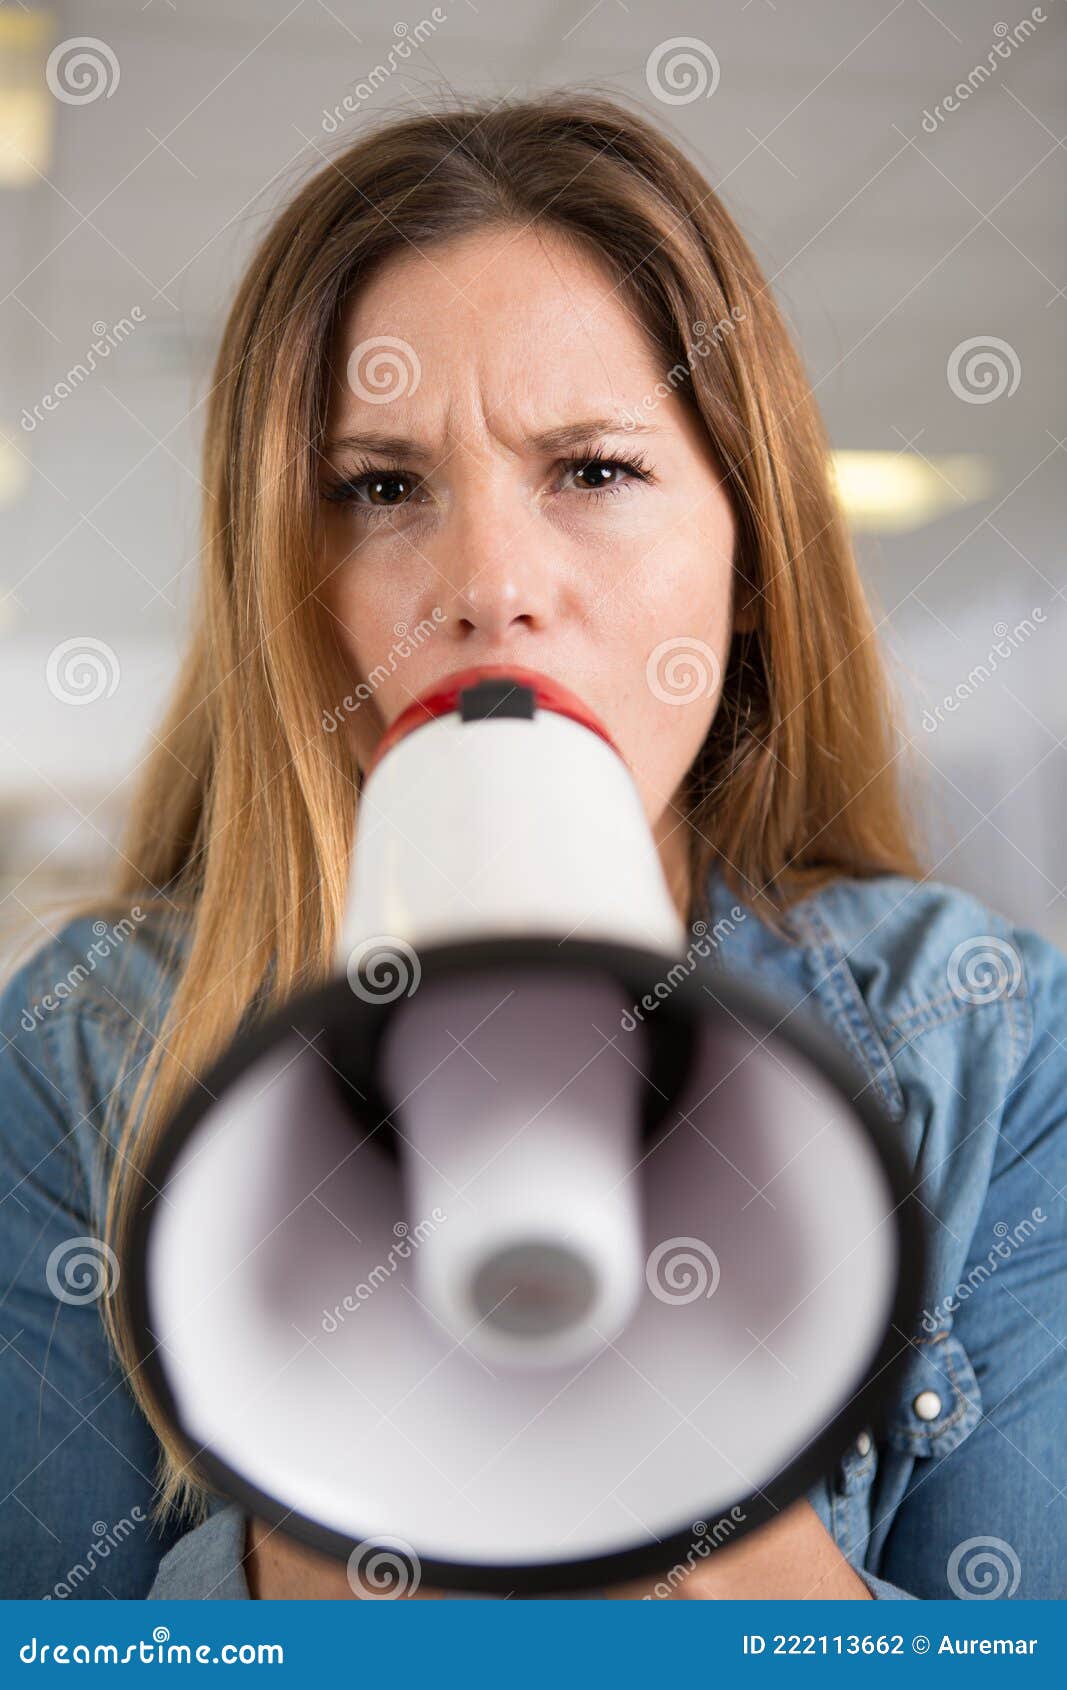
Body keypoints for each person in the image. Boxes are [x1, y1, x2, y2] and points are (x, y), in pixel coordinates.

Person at [1, 92, 1064, 1602]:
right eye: (381, 489)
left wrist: (690, 1463)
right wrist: (331, 1511)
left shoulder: (994, 1041)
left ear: (749, 557)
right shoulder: (84, 1046)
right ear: (282, 587)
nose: (492, 586)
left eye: (594, 470)